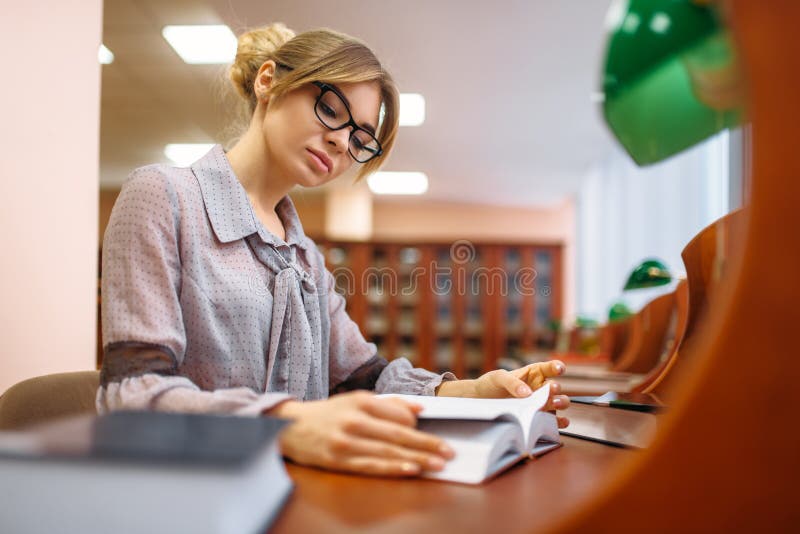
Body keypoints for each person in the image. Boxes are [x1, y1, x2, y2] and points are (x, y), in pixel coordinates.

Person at [98, 22, 570, 477]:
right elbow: (133, 394)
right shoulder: (164, 198)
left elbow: (363, 377)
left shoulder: (304, 256)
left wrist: (470, 391)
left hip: (294, 492)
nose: (342, 141)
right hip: (192, 494)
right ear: (269, 82)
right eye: (330, 109)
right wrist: (284, 425)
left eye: (360, 138)